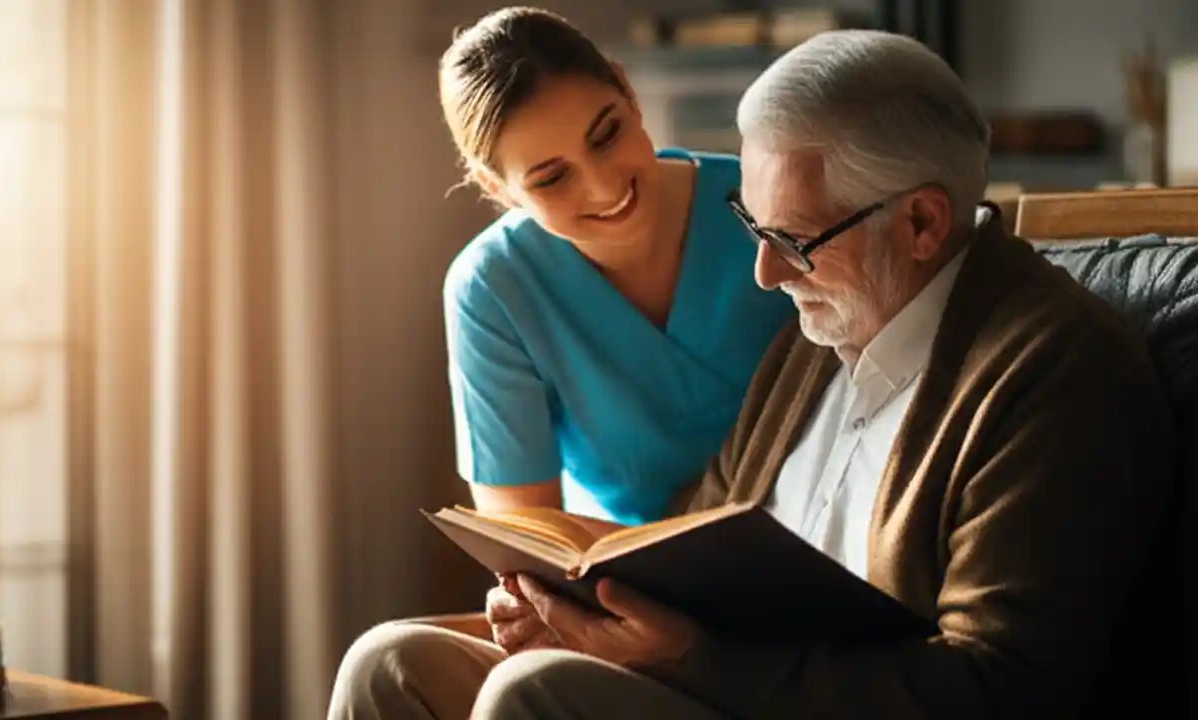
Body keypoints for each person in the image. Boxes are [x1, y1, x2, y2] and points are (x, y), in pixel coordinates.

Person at [328, 28, 1176, 719]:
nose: (763, 275)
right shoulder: (817, 338)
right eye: (751, 226)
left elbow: (997, 688)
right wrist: (592, 622)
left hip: (782, 695)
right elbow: (703, 531)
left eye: (796, 242)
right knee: (391, 663)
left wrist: (691, 660)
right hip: (714, 669)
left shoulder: (1051, 371)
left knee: (531, 694)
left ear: (921, 222)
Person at [437, 7, 793, 526]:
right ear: (497, 189)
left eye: (606, 135)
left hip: (818, 544)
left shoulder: (768, 208)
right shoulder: (493, 289)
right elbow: (527, 535)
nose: (605, 188)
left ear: (627, 91)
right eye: (551, 179)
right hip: (617, 578)